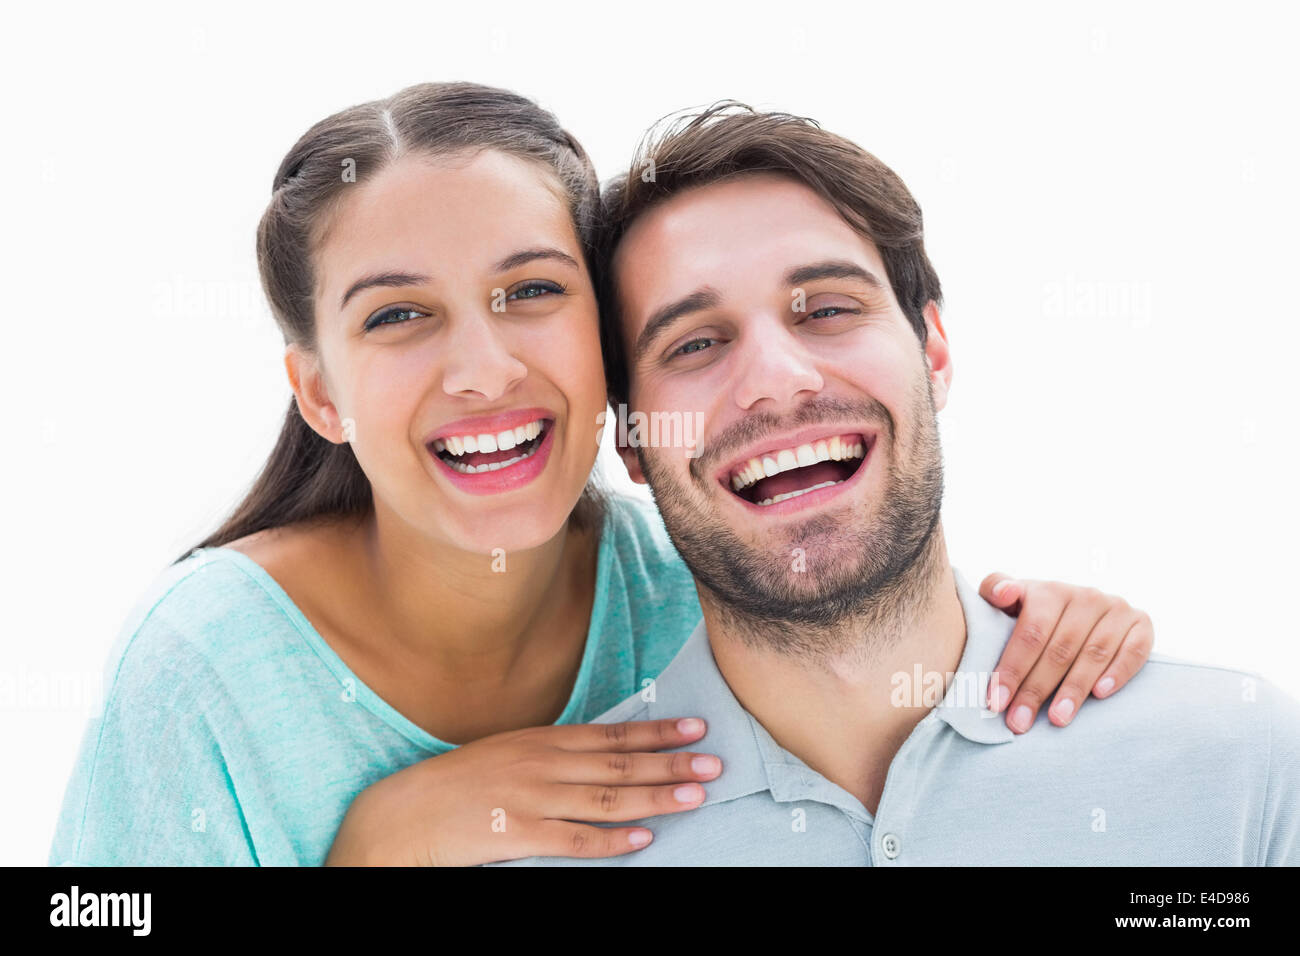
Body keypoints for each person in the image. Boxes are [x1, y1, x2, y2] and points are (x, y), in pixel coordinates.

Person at [51, 83, 1155, 868]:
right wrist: (386, 841)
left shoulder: (683, 583)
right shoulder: (204, 666)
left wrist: (1022, 633)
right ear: (320, 393)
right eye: (397, 315)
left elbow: (865, 621)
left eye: (531, 290)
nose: (483, 370)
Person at [496, 102, 1300, 866]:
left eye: (828, 310)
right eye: (695, 343)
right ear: (631, 440)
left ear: (934, 352)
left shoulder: (1239, 767)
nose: (776, 380)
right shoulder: (541, 850)